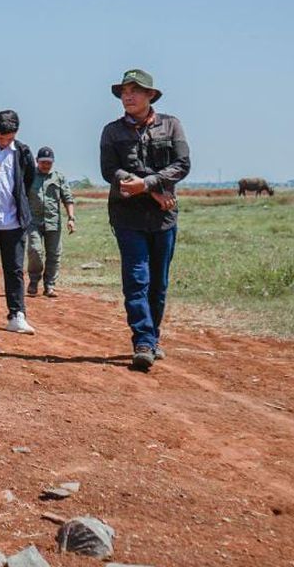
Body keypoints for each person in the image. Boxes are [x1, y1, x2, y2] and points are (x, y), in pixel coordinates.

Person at [100, 68, 190, 372]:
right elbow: (110, 171)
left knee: (158, 284)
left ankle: (152, 337)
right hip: (127, 216)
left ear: (150, 95)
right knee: (137, 280)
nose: (128, 96)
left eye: (135, 90)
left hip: (164, 217)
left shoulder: (172, 125)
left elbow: (182, 164)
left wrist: (149, 184)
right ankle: (142, 342)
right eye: (124, 92)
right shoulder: (112, 132)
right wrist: (151, 190)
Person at [0, 110, 37, 335]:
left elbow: (27, 182)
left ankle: (17, 315)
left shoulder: (23, 152)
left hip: (13, 222)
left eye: (8, 139)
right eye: (0, 137)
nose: (3, 142)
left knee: (15, 270)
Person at [26, 146, 76, 298]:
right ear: (37, 161)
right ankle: (34, 280)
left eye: (49, 162)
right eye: (43, 162)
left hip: (53, 221)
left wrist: (71, 218)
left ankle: (50, 285)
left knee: (54, 255)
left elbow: (67, 199)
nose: (46, 165)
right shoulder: (29, 176)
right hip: (33, 221)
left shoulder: (59, 177)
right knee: (35, 250)